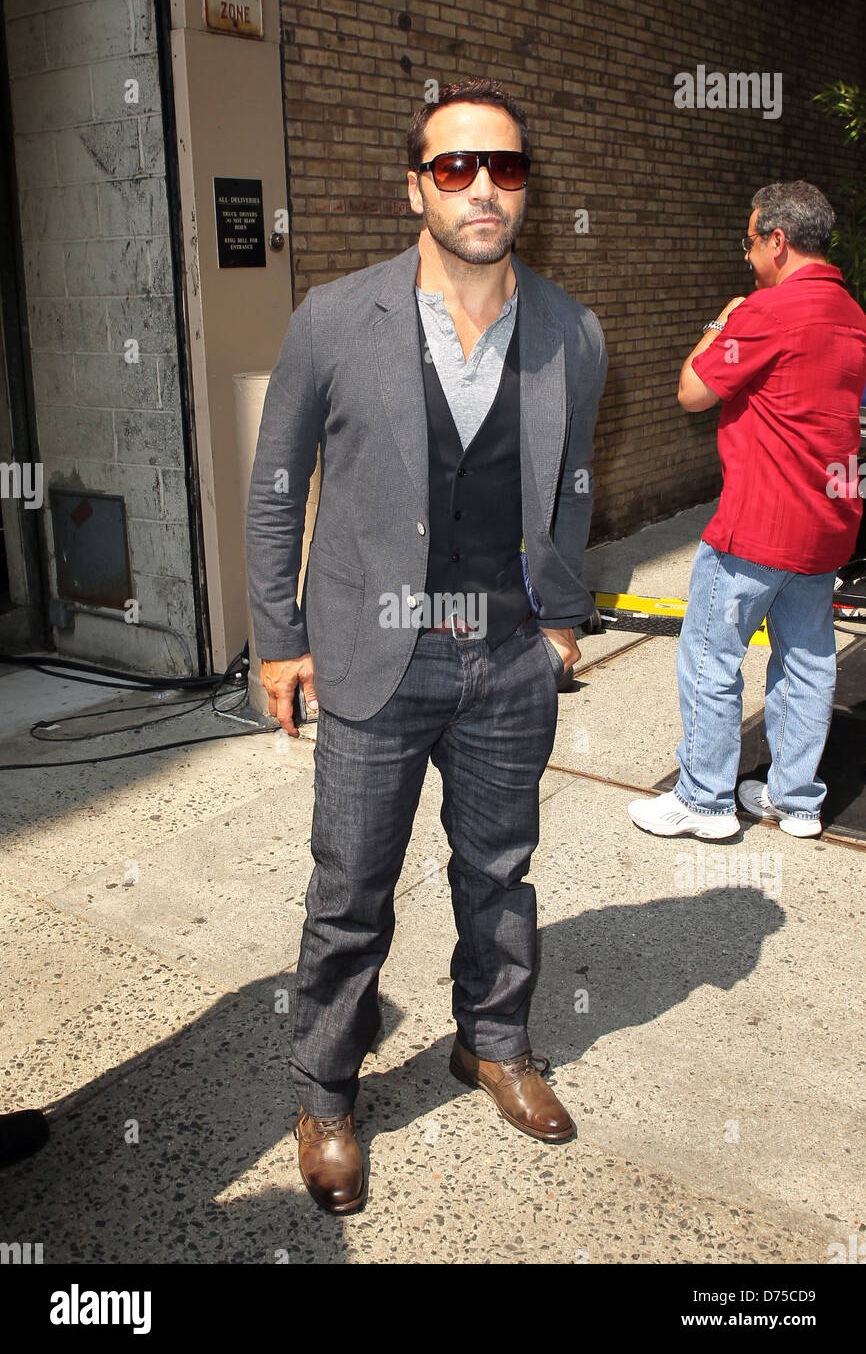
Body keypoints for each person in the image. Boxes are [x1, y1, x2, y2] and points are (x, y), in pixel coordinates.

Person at [246, 78, 607, 1213]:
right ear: (416, 185)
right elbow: (273, 488)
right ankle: (326, 1092)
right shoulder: (330, 318)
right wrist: (278, 639)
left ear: (524, 188)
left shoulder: (570, 331)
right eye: (455, 168)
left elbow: (571, 484)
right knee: (350, 891)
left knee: (497, 874)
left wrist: (558, 619)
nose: (481, 187)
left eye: (502, 167)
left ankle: (490, 1041)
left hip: (504, 658)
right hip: (373, 653)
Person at [629, 181, 866, 843]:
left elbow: (693, 391)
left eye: (750, 241)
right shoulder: (853, 314)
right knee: (809, 662)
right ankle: (795, 800)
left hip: (758, 526)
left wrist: (721, 322)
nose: (747, 257)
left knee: (709, 657)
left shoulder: (766, 311)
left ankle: (703, 800)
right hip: (828, 525)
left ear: (778, 241)